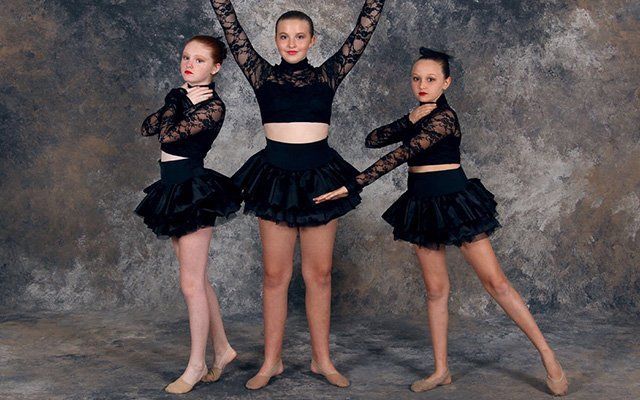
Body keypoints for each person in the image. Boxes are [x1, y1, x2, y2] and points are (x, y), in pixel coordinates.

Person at [314, 47, 569, 396]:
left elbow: (401, 154)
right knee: (436, 290)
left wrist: (352, 185)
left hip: (456, 202)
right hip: (422, 205)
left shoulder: (445, 118)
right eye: (417, 79)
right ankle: (441, 370)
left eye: (431, 79)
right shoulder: (419, 114)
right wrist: (408, 119)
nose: (422, 85)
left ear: (446, 82)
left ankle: (548, 355)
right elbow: (372, 139)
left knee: (496, 283)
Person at [210, 0, 385, 390]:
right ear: (274, 40)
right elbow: (231, 28)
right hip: (274, 179)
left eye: (300, 37)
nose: (292, 43)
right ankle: (271, 361)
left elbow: (363, 30)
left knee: (318, 275)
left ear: (312, 41)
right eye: (284, 37)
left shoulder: (328, 75)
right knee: (275, 276)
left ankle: (322, 360)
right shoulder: (260, 75)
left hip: (321, 177)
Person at [135, 35, 241, 394]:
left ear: (216, 67)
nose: (189, 64)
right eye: (186, 57)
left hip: (194, 191)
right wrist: (177, 98)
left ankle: (197, 366)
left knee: (191, 283)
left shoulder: (212, 106)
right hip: (171, 188)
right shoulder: (183, 97)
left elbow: (167, 136)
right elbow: (146, 127)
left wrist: (178, 100)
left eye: (199, 60)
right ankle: (222, 349)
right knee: (198, 279)